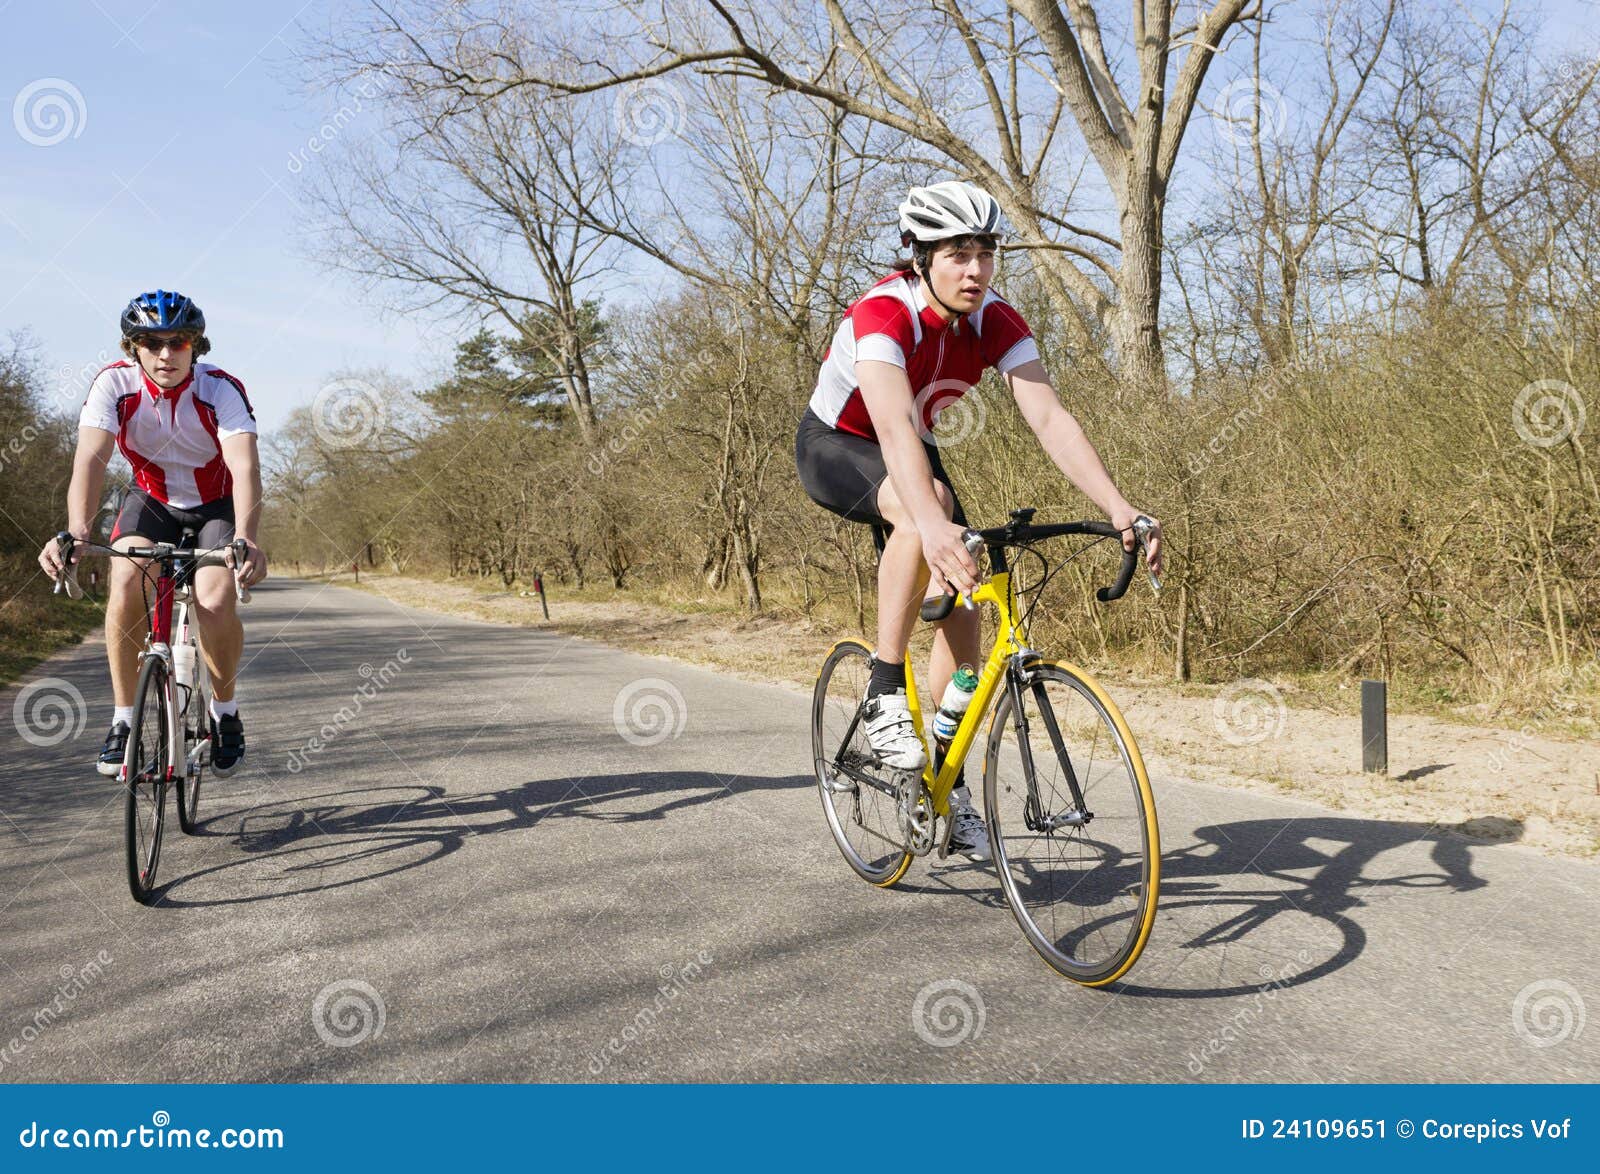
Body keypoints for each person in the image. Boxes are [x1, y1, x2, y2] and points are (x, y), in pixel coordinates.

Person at [795, 181, 1164, 860]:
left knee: (967, 614)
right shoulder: (882, 315)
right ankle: (882, 690)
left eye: (985, 252)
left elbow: (1050, 418)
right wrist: (930, 526)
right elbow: (894, 431)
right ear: (920, 258)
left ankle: (944, 783)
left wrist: (1118, 505)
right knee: (926, 511)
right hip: (839, 444)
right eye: (957, 254)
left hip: (916, 452)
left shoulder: (998, 320)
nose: (975, 270)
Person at [38, 290, 267, 777]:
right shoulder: (113, 386)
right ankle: (124, 719)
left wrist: (246, 536)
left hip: (216, 507)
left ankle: (224, 710)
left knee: (214, 599)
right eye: (151, 342)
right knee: (126, 579)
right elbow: (91, 461)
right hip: (152, 501)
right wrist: (77, 532)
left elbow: (245, 468)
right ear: (132, 347)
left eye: (179, 342)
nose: (166, 354)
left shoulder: (220, 389)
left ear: (196, 346)